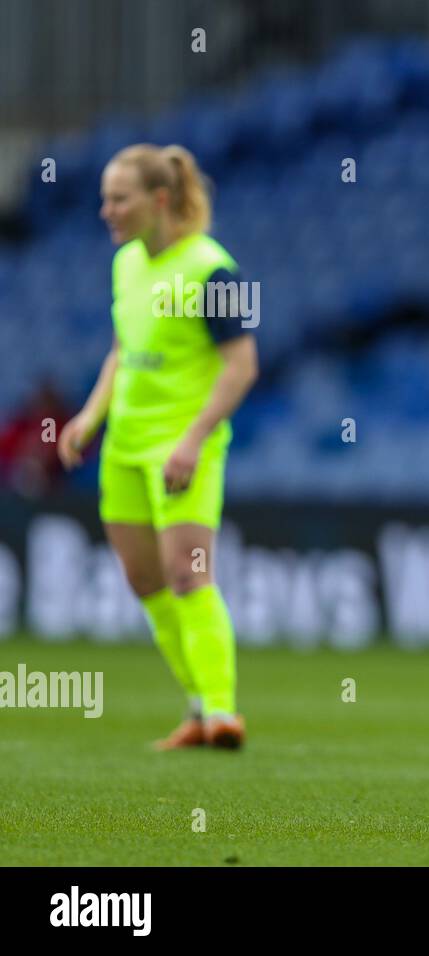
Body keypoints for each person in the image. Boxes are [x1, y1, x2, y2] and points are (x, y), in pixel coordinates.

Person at [58, 144, 258, 750]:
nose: (106, 211)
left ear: (160, 199)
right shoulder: (125, 264)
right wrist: (90, 417)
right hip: (125, 446)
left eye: (118, 199)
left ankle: (224, 712)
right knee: (146, 582)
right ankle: (197, 711)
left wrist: (193, 440)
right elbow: (123, 349)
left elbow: (242, 366)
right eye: (103, 199)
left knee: (187, 573)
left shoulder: (214, 268)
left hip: (183, 447)